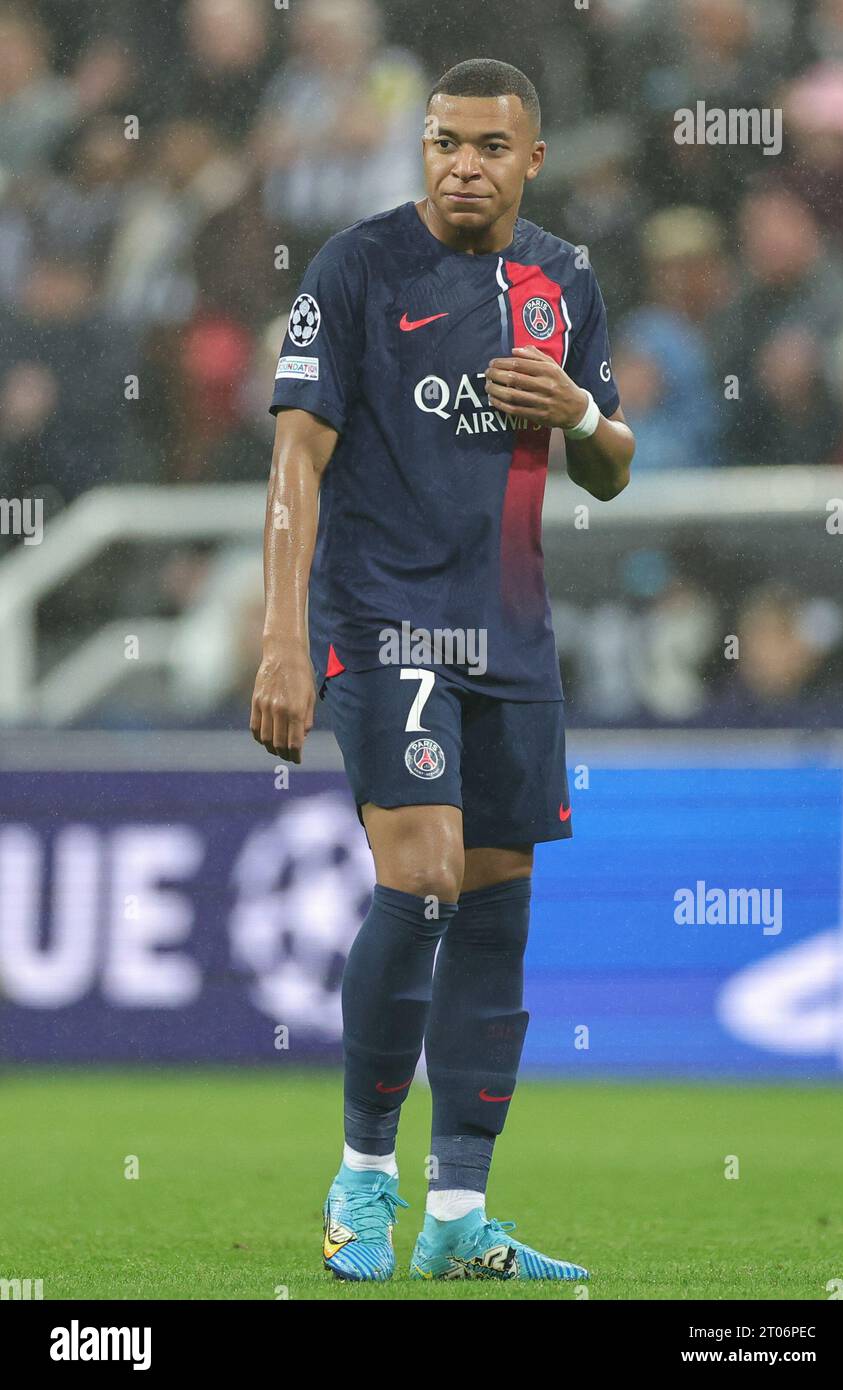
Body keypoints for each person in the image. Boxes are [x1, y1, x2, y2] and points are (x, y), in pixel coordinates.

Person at [250, 58, 634, 1282]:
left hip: (508, 637)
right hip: (381, 621)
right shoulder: (354, 267)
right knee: (416, 881)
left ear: (532, 161)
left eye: (487, 146)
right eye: (443, 140)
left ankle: (458, 1215)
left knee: (493, 914)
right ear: (423, 147)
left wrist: (577, 412)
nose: (461, 162)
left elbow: (613, 464)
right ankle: (360, 1179)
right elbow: (295, 463)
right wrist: (278, 634)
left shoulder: (563, 280)